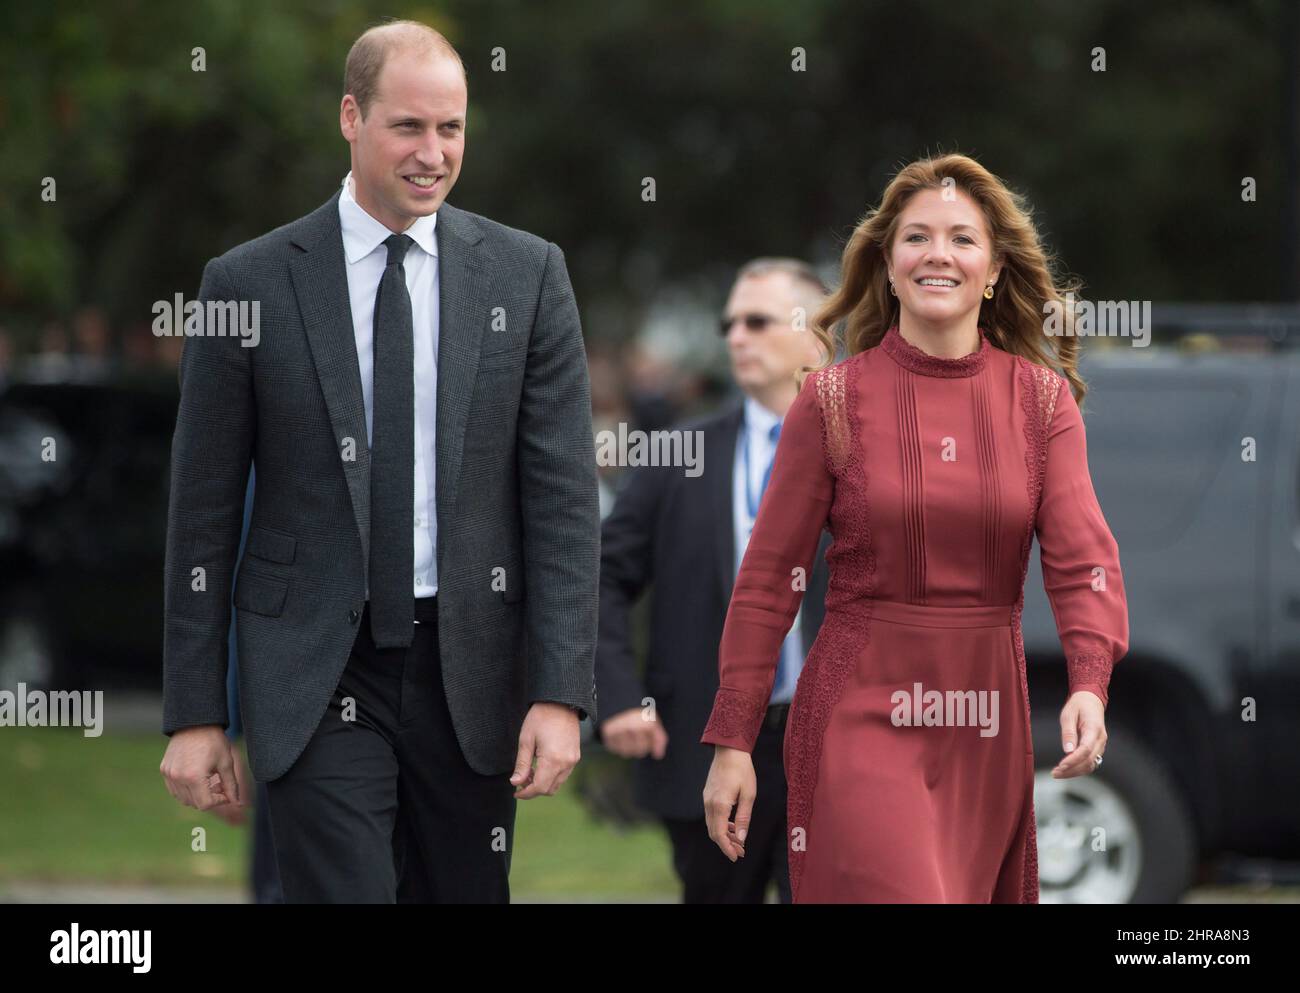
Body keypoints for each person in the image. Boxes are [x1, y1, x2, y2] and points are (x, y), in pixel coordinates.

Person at [158, 19, 599, 903]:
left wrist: (560, 691)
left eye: (452, 129)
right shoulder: (246, 284)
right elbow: (201, 512)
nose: (433, 153)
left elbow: (561, 503)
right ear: (351, 117)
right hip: (315, 667)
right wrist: (197, 713)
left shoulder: (527, 276)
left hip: (468, 668)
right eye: (409, 126)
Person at [700, 153, 1129, 903]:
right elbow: (769, 578)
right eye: (916, 237)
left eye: (962, 239)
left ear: (993, 270)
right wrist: (733, 738)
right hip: (860, 713)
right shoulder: (829, 401)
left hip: (988, 720)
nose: (938, 253)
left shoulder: (1043, 403)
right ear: (888, 265)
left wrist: (1090, 680)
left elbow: (1081, 557)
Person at [597, 259, 831, 903]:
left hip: (837, 745)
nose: (735, 337)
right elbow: (601, 577)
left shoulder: (865, 447)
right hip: (706, 743)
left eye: (756, 321)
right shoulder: (678, 454)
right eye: (728, 323)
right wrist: (617, 695)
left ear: (816, 332)